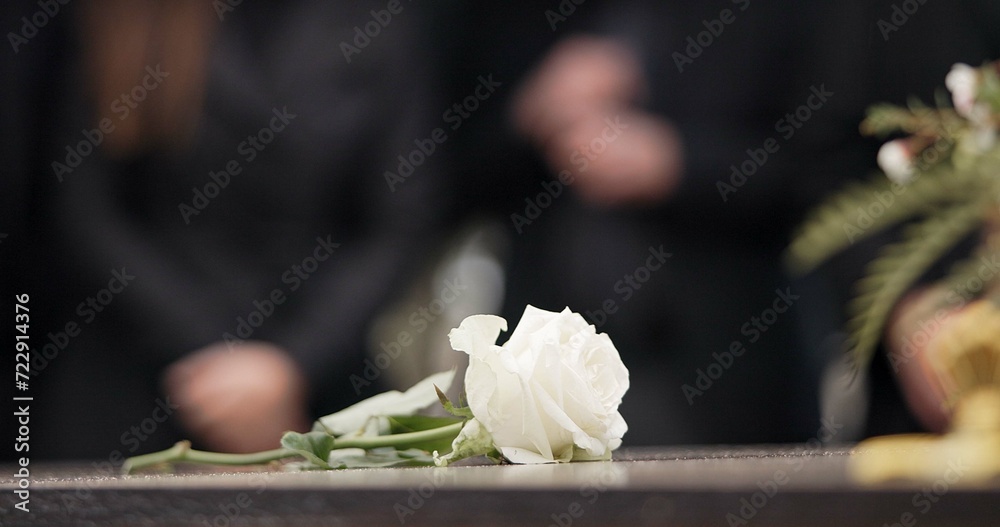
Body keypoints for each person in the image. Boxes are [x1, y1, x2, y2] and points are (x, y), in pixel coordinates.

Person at [436, 0, 1000, 444]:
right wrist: (528, 102)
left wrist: (677, 163)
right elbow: (429, 162)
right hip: (538, 347)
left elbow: (825, 164)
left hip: (726, 360)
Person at [2, 0, 447, 460]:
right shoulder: (120, 16)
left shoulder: (375, 21)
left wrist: (287, 365)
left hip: (321, 376)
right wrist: (222, 362)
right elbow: (85, 213)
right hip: (136, 375)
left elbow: (399, 221)